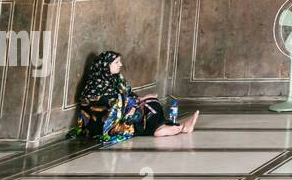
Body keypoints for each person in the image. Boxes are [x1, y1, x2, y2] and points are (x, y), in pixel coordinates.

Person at [68, 51, 199, 143]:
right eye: (116, 62)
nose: (120, 65)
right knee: (148, 106)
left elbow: (126, 94)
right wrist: (135, 102)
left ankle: (174, 127)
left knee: (151, 102)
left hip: (123, 111)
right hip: (107, 124)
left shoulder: (115, 79)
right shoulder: (95, 85)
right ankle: (167, 128)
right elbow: (103, 105)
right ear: (105, 65)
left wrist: (138, 99)